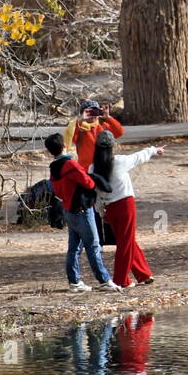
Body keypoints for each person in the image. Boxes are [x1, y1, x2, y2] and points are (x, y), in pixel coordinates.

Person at [45, 132, 122, 293]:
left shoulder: (53, 168)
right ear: (64, 146)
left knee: (74, 248)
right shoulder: (70, 164)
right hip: (82, 210)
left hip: (68, 210)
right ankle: (104, 280)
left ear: (49, 151)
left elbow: (56, 189)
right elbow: (87, 182)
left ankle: (74, 282)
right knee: (93, 245)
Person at [91, 130, 162, 288]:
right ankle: (121, 280)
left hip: (109, 208)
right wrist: (153, 150)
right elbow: (139, 157)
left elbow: (95, 194)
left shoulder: (92, 168)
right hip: (125, 205)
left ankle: (143, 274)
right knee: (125, 242)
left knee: (126, 240)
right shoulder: (120, 161)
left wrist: (101, 212)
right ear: (112, 147)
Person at [64, 99, 124, 172]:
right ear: (82, 114)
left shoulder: (103, 126)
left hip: (104, 167)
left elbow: (119, 132)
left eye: (95, 112)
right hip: (86, 169)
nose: (93, 115)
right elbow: (72, 137)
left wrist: (108, 117)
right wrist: (80, 120)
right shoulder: (79, 128)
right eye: (89, 112)